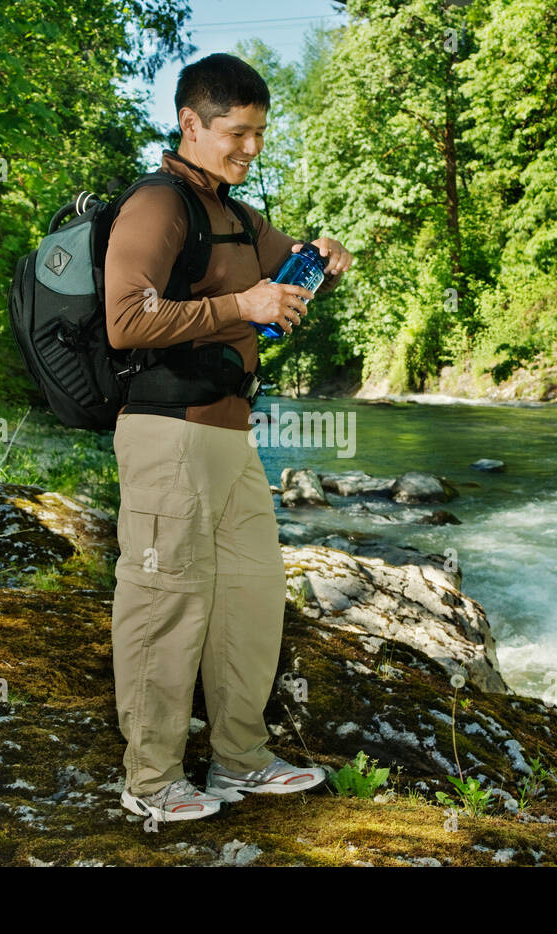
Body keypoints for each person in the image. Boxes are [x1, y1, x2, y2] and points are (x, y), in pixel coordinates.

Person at [104, 53, 353, 822]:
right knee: (165, 600)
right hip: (167, 432)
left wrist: (326, 264)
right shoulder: (158, 203)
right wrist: (241, 305)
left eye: (259, 135)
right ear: (191, 123)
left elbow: (288, 271)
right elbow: (126, 320)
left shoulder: (238, 214)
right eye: (236, 134)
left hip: (231, 437)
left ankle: (240, 762)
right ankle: (150, 782)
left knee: (249, 597)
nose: (250, 149)